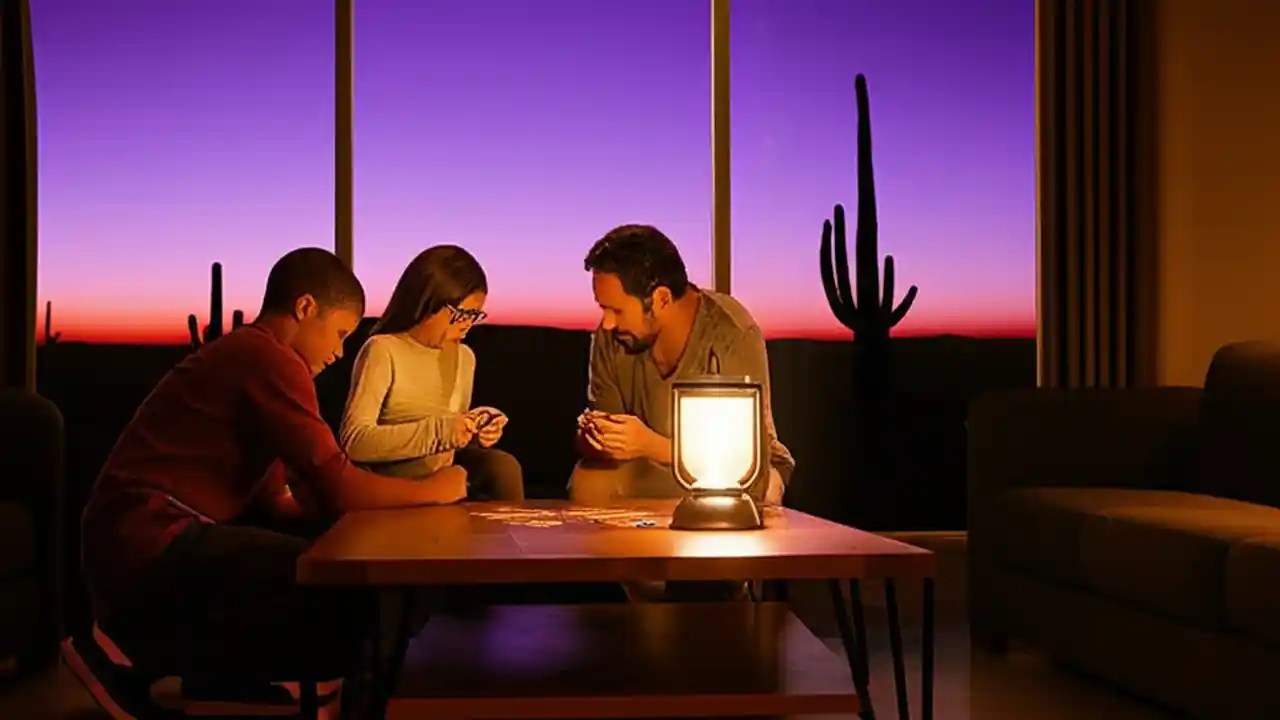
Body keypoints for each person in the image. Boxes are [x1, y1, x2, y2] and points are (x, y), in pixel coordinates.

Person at [78, 248, 467, 709]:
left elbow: (278, 501)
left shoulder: (248, 356)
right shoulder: (268, 358)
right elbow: (337, 484)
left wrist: (344, 524)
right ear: (304, 309)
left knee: (331, 562)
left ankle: (211, 677)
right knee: (343, 593)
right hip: (150, 540)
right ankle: (122, 657)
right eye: (340, 333)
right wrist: (435, 491)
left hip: (147, 537)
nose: (340, 351)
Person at [570, 223, 795, 506]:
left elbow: (743, 464)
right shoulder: (612, 338)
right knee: (588, 480)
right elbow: (610, 447)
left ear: (661, 299)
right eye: (603, 309)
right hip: (649, 465)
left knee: (739, 494)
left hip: (735, 471)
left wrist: (650, 445)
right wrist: (596, 437)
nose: (608, 323)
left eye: (617, 310)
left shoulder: (731, 334)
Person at [339, 245, 523, 501]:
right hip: (395, 485)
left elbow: (449, 440)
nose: (469, 324)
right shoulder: (383, 350)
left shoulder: (464, 357)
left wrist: (475, 430)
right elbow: (355, 441)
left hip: (445, 478)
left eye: (475, 315)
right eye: (463, 314)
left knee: (502, 467)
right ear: (429, 301)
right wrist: (440, 432)